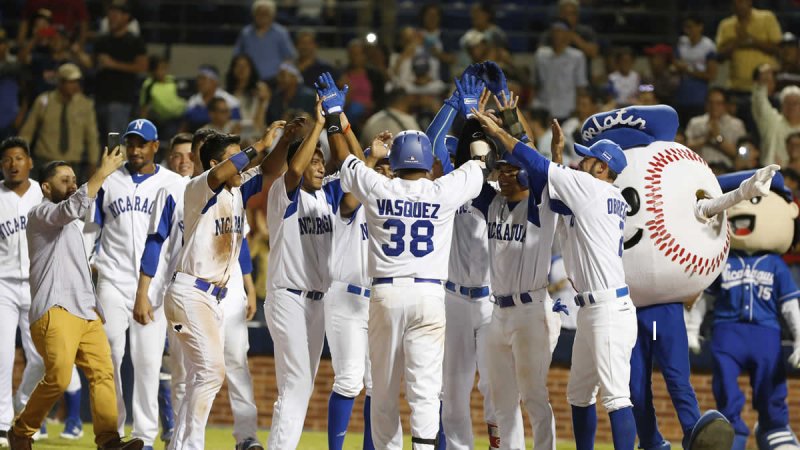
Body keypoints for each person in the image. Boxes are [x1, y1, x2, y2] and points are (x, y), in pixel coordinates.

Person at [322, 71, 486, 449]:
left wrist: (334, 114)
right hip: (430, 298)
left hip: (386, 296)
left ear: (393, 162)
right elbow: (479, 161)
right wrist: (472, 114)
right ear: (429, 163)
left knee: (382, 388)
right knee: (426, 389)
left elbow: (345, 158)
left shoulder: (379, 186)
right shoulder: (443, 190)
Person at [471, 108, 638, 450]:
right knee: (578, 394)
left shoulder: (593, 189)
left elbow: (538, 168)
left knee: (617, 398)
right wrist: (555, 154)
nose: (583, 163)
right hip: (593, 306)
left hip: (608, 307)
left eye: (589, 160)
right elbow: (551, 186)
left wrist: (500, 131)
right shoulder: (600, 195)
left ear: (602, 168)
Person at [7, 146, 143, 450]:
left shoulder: (73, 218)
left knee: (103, 374)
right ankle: (21, 430)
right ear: (46, 187)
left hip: (86, 311)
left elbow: (80, 208)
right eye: (64, 181)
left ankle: (108, 439)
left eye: (74, 179)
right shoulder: (40, 213)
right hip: (55, 308)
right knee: (58, 376)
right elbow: (70, 208)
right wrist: (103, 173)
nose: (72, 185)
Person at [163, 125, 278, 450]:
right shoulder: (201, 186)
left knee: (205, 374)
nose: (241, 166)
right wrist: (260, 143)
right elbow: (239, 165)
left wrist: (286, 140)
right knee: (210, 372)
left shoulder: (235, 191)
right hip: (190, 292)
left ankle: (181, 446)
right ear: (216, 164)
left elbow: (270, 167)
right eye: (232, 159)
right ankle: (189, 445)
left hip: (211, 297)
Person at [261, 82, 359, 448]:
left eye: (320, 161)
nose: (319, 166)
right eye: (312, 161)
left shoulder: (329, 194)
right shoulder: (282, 194)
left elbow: (353, 176)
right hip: (288, 296)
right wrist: (317, 125)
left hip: (318, 301)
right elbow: (292, 170)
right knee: (298, 381)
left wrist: (336, 118)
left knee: (301, 385)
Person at [85, 119, 183, 449]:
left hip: (152, 285)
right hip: (111, 279)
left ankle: (143, 435)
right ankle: (112, 431)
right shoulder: (109, 179)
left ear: (156, 146)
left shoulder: (173, 182)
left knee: (147, 360)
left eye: (142, 143)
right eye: (131, 143)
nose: (136, 149)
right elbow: (90, 229)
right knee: (109, 354)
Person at [325, 133, 393, 450]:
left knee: (377, 386)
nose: (386, 172)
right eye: (381, 167)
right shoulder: (356, 199)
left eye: (390, 167)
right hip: (345, 297)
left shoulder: (395, 209)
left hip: (377, 301)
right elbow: (349, 198)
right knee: (349, 380)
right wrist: (371, 160)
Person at [0, 137, 44, 447]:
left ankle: (24, 406)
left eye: (18, 158)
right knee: (1, 357)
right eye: (7, 159)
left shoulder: (45, 192)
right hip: (2, 284)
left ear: (29, 162)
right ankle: (3, 424)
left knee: (42, 357)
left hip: (38, 284)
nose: (13, 164)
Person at [18, 62, 99, 183]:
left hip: (72, 165)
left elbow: (91, 136)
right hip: (45, 162)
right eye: (70, 82)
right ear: (60, 82)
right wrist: (20, 156)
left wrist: (93, 163)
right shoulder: (44, 101)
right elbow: (28, 132)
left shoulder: (85, 105)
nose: (75, 85)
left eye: (76, 81)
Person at [92, 0, 147, 139]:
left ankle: (115, 162)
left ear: (126, 17)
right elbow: (92, 64)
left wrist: (113, 64)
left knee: (114, 140)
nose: (112, 18)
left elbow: (142, 66)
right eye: (110, 15)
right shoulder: (102, 40)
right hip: (99, 97)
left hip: (120, 99)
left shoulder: (135, 41)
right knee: (97, 139)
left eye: (116, 14)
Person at [716, 0, 781, 95]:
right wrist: (737, 41)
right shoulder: (725, 25)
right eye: (735, 3)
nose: (738, 5)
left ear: (750, 2)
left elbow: (777, 48)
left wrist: (750, 40)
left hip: (764, 86)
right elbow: (720, 56)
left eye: (741, 1)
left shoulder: (767, 18)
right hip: (736, 87)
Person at [532, 19, 588, 121]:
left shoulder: (577, 56)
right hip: (544, 108)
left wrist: (579, 110)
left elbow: (581, 87)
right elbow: (534, 84)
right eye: (554, 31)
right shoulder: (540, 55)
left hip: (568, 111)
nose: (557, 34)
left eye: (560, 31)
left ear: (568, 34)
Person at [233, 0, 296, 82]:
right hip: (249, 81)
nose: (262, 16)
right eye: (259, 13)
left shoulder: (281, 33)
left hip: (274, 80)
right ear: (253, 14)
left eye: (265, 13)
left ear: (272, 15)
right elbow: (237, 57)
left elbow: (289, 57)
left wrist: (283, 75)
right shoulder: (245, 33)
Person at [686, 87, 747, 170]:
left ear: (725, 105)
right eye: (710, 103)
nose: (714, 107)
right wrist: (706, 139)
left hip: (725, 170)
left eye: (718, 103)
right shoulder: (695, 122)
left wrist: (718, 138)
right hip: (698, 170)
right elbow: (685, 148)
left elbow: (740, 155)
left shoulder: (736, 125)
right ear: (706, 104)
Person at [674, 14, 719, 124]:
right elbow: (675, 63)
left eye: (691, 27)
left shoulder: (708, 46)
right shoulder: (682, 42)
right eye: (686, 27)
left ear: (700, 27)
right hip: (681, 96)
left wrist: (688, 70)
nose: (688, 30)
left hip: (699, 98)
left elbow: (712, 75)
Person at [752, 64, 800, 165]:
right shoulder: (772, 121)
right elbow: (760, 104)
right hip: (772, 177)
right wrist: (761, 84)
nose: (791, 107)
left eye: (795, 103)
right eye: (787, 103)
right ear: (781, 106)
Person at [139, 55, 186, 143]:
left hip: (180, 117)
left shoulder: (172, 81)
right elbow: (144, 107)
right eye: (160, 68)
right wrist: (142, 128)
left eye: (165, 68)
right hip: (162, 120)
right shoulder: (149, 85)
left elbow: (182, 99)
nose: (163, 71)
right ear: (153, 71)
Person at [184, 65, 242, 133]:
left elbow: (236, 124)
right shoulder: (192, 101)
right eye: (198, 79)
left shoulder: (231, 101)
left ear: (214, 81)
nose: (199, 82)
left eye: (203, 79)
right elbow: (186, 124)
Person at [225, 54, 268, 143]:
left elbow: (260, 119)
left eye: (245, 66)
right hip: (231, 131)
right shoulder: (227, 92)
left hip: (253, 132)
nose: (242, 69)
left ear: (251, 69)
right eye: (238, 66)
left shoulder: (260, 88)